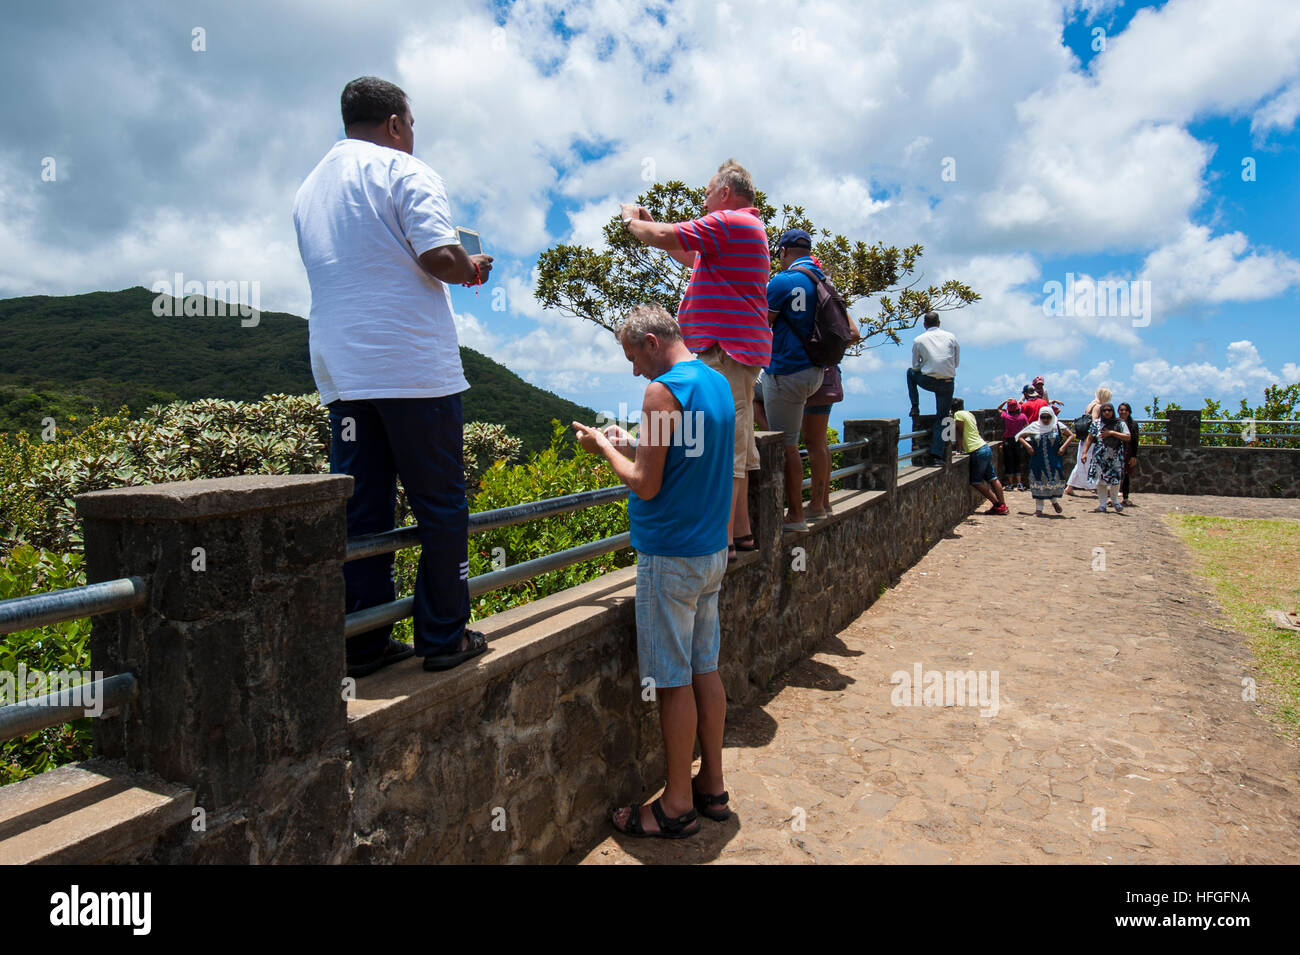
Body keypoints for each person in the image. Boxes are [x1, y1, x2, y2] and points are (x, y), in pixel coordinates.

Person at [293, 76, 494, 676]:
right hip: (411, 368)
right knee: (440, 503)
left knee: (363, 508)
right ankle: (443, 636)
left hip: (344, 372)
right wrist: (471, 266)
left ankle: (365, 639)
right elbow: (437, 255)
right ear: (396, 123)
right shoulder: (405, 170)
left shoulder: (309, 188)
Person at [571, 304, 734, 839]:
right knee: (705, 669)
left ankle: (676, 806)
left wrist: (602, 449)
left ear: (648, 341)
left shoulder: (662, 391)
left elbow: (645, 484)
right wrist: (632, 445)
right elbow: (683, 457)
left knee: (672, 682)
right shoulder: (714, 383)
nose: (634, 371)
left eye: (632, 357)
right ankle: (712, 785)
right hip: (710, 553)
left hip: (670, 557)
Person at [621, 161, 770, 560]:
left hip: (726, 350)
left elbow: (662, 235)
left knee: (728, 450)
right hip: (734, 350)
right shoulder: (741, 230)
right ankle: (740, 534)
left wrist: (632, 221)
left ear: (724, 192)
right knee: (738, 444)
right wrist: (658, 231)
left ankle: (720, 540)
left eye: (706, 193)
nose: (703, 201)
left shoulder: (729, 221)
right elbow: (687, 253)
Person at [761, 229, 831, 530]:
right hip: (817, 372)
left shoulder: (783, 281)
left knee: (788, 446)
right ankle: (820, 503)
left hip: (787, 371)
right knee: (811, 441)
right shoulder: (823, 280)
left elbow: (762, 322)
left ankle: (796, 516)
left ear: (784, 251)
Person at [907, 312, 959, 460]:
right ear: (939, 323)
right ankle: (937, 456)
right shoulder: (951, 337)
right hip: (948, 383)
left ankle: (915, 406)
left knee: (909, 373)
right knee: (942, 418)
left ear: (924, 324)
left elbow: (915, 366)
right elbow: (956, 363)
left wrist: (928, 367)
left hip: (928, 381)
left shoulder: (919, 340)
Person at [951, 398, 1009, 514]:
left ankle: (998, 505)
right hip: (984, 447)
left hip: (976, 450)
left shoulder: (957, 415)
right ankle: (1003, 506)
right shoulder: (969, 414)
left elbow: (960, 432)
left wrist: (959, 449)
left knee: (976, 481)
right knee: (992, 478)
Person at [802, 365, 843, 524]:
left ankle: (817, 505)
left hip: (817, 378)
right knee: (819, 442)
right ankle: (823, 503)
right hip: (827, 378)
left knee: (814, 443)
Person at [1017, 407, 1074, 516]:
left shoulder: (1057, 426)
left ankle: (1054, 501)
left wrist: (1063, 447)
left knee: (1052, 481)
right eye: (1043, 417)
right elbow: (1020, 436)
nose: (1046, 420)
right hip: (1038, 459)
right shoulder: (1035, 426)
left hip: (1053, 458)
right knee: (1038, 481)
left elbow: (1070, 435)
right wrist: (1028, 446)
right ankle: (1039, 509)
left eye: (1048, 417)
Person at [1084, 402, 1130, 512]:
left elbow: (1127, 437)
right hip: (1100, 457)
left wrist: (1112, 433)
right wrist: (1084, 452)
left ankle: (1115, 501)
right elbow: (1090, 438)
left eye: (1109, 410)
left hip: (1115, 456)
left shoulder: (1120, 424)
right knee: (1101, 481)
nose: (1107, 412)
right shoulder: (1096, 423)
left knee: (1115, 480)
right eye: (1104, 410)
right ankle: (1102, 504)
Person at [1065, 386, 1112, 496]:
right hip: (1092, 440)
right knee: (1095, 463)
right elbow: (1095, 421)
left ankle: (1069, 487)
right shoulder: (1098, 406)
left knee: (1081, 464)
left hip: (1084, 438)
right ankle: (1101, 488)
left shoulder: (1090, 405)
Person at [997, 398, 1030, 489]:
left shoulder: (1006, 416)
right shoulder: (1023, 416)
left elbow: (998, 409)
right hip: (1019, 440)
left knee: (1009, 462)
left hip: (1008, 441)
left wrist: (1004, 401)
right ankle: (1019, 483)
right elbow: (1028, 427)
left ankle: (1011, 484)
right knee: (1018, 461)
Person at [1118, 402, 1140, 506]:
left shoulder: (1133, 425)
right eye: (1121, 410)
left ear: (1129, 412)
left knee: (1126, 475)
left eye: (1125, 410)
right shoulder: (1115, 423)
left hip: (1128, 452)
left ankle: (1125, 497)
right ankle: (1113, 498)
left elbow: (1135, 441)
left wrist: (1134, 456)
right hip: (1116, 451)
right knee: (1115, 475)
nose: (1123, 412)